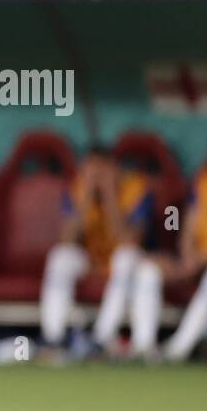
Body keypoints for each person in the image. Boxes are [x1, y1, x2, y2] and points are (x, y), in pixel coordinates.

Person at [38, 147, 153, 358]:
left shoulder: (136, 188)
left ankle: (101, 337)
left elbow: (129, 240)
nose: (96, 177)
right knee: (60, 257)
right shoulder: (79, 189)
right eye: (91, 171)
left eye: (101, 171)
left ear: (114, 169)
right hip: (91, 258)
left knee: (125, 258)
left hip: (126, 261)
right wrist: (87, 198)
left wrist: (110, 196)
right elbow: (67, 239)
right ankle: (54, 337)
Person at [132, 161, 207, 360]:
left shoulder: (173, 204)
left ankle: (177, 350)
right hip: (189, 260)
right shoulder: (202, 186)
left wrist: (201, 260)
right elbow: (183, 232)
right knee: (147, 271)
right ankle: (144, 347)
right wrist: (187, 258)